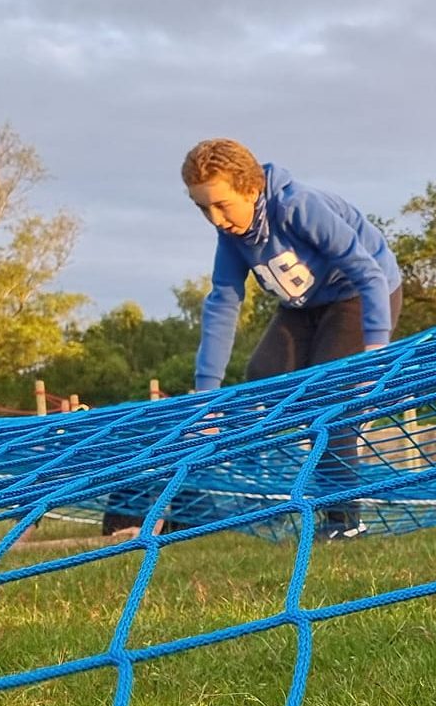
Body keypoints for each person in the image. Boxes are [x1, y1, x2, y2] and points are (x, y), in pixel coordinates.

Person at [105, 138, 401, 540]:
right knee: (260, 379)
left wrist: (375, 348)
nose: (214, 218)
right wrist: (206, 392)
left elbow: (368, 273)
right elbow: (223, 302)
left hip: (359, 295)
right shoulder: (231, 236)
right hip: (303, 305)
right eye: (201, 207)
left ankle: (344, 521)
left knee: (330, 396)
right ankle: (238, 504)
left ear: (251, 188)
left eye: (221, 205)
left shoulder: (299, 207)